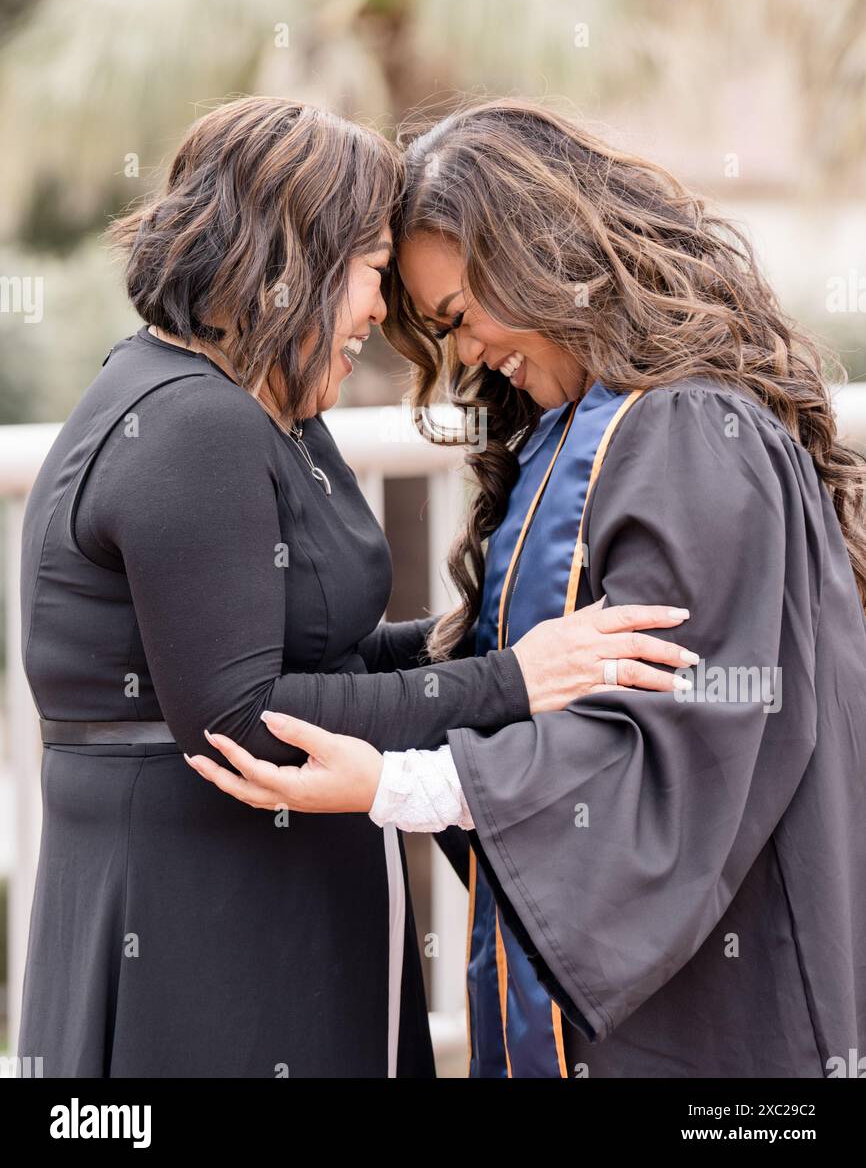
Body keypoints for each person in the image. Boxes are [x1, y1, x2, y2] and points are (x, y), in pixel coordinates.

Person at [16, 96, 690, 1079]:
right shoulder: (191, 429)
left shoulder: (252, 403)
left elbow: (314, 654)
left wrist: (479, 641)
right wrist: (511, 682)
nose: (381, 312)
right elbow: (245, 716)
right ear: (293, 263)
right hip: (204, 945)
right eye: (373, 271)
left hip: (255, 916)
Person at [190, 99, 866, 1079]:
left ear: (536, 253)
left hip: (721, 1004)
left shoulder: (687, 436)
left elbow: (672, 743)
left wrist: (397, 785)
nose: (464, 353)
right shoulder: (587, 429)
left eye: (461, 315)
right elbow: (540, 671)